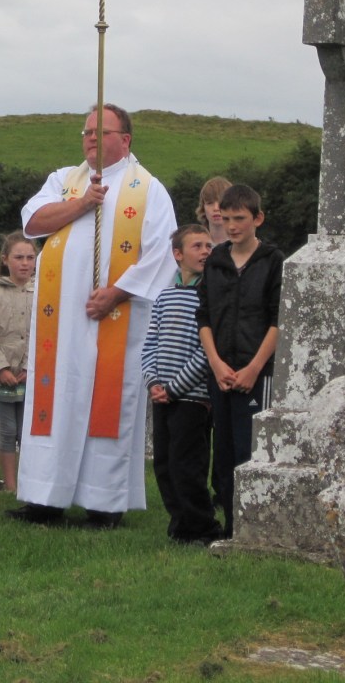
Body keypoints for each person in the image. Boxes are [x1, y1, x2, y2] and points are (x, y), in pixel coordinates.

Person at [9, 104, 177, 528]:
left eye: (101, 132)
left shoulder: (148, 189)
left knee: (107, 401)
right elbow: (33, 221)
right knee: (57, 399)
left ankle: (104, 506)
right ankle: (44, 499)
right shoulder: (66, 180)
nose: (90, 139)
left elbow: (162, 255)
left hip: (113, 317)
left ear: (126, 139)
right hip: (59, 321)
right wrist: (84, 203)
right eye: (85, 132)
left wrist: (116, 295)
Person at [196, 184, 283, 536]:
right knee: (225, 453)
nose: (232, 227)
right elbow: (203, 317)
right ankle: (231, 527)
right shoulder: (215, 261)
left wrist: (254, 368)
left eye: (240, 219)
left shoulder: (274, 261)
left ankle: (255, 528)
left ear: (257, 219)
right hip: (221, 372)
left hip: (256, 373)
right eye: (227, 219)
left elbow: (279, 320)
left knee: (252, 451)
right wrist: (216, 364)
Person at [141, 223, 224, 545]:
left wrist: (175, 387)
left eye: (208, 246)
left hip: (192, 397)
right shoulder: (164, 297)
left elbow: (207, 353)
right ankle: (181, 524)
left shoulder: (211, 297)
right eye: (197, 246)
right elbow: (150, 344)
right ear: (178, 254)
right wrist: (153, 382)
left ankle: (203, 527)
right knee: (164, 464)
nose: (205, 251)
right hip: (162, 396)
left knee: (187, 465)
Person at [0, 230, 36, 492]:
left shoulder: (43, 293)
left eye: (30, 257)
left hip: (31, 375)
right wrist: (0, 369)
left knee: (28, 432)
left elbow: (47, 333)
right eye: (19, 257)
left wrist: (29, 367)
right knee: (9, 430)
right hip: (3, 376)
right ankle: (10, 486)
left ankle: (29, 483)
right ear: (5, 260)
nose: (25, 263)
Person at [196, 176, 232, 246]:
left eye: (221, 202)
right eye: (210, 203)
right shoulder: (196, 247)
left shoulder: (244, 246)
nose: (216, 208)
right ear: (203, 208)